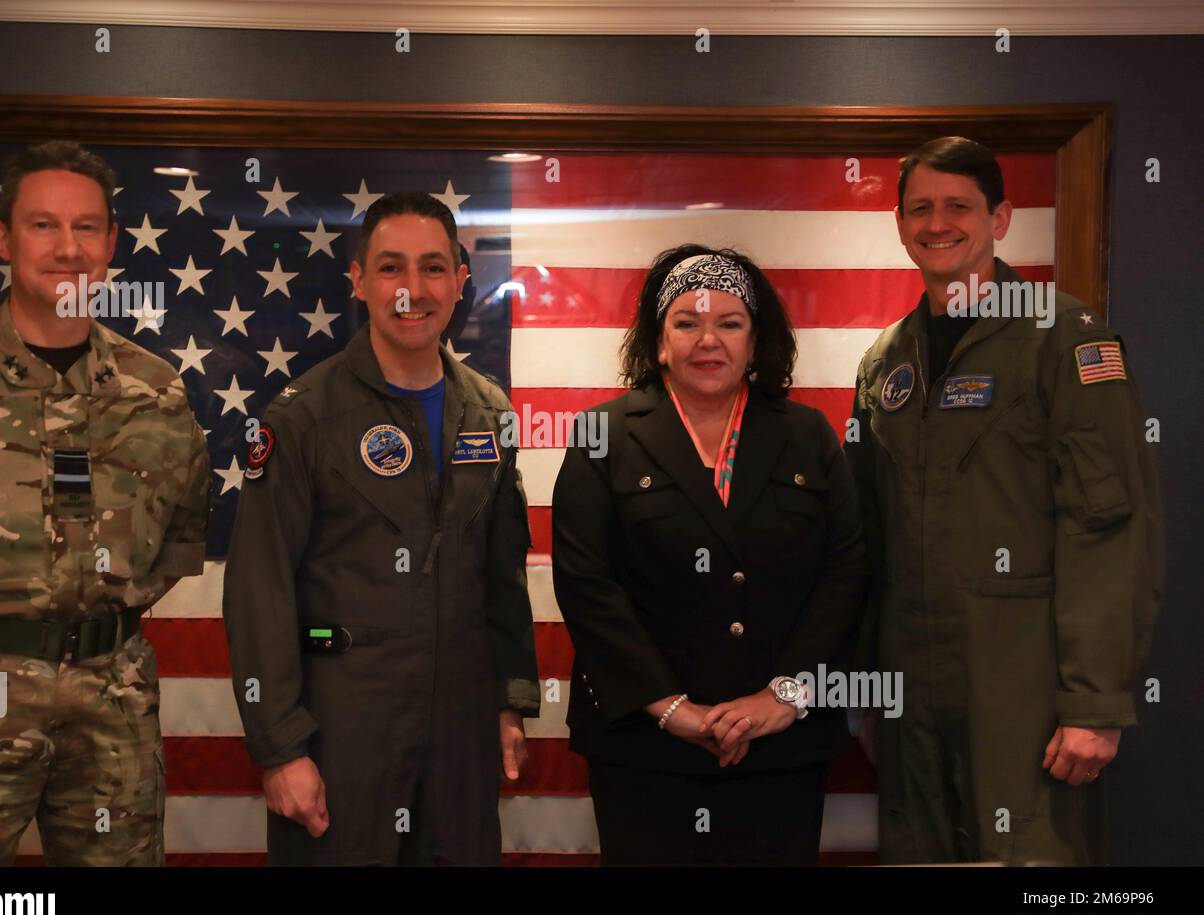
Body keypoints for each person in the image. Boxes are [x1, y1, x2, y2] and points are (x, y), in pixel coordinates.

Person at [846, 136, 1164, 865]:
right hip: (907, 691)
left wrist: (1095, 703)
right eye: (920, 208)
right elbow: (866, 540)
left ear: (1002, 218)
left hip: (1023, 689)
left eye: (959, 206)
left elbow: (1109, 530)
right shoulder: (885, 361)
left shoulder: (1062, 337)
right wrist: (866, 684)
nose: (938, 223)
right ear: (899, 225)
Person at [0, 141, 209, 866]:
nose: (67, 248)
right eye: (43, 226)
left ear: (109, 244)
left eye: (86, 228)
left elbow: (177, 539)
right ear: (4, 238)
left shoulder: (156, 391)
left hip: (114, 703)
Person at [223, 191, 540, 866]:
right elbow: (260, 592)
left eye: (433, 268)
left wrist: (509, 703)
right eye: (392, 268)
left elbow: (503, 573)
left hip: (460, 731)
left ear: (460, 280)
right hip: (345, 729)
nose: (413, 290)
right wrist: (280, 751)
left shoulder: (487, 411)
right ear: (359, 281)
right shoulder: (301, 418)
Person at [551, 245, 868, 865]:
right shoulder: (603, 436)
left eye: (730, 323)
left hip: (781, 742)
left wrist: (784, 696)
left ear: (755, 342)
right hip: (643, 746)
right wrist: (672, 710)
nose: (708, 341)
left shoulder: (808, 436)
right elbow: (587, 584)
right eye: (687, 323)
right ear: (659, 341)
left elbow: (847, 572)